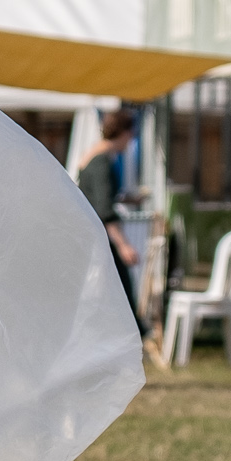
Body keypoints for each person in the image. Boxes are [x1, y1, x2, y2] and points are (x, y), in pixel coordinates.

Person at [76, 109, 142, 325]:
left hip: (88, 234)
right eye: (130, 135)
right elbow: (103, 209)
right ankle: (134, 334)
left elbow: (96, 195)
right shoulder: (102, 162)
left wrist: (128, 200)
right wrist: (124, 245)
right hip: (98, 235)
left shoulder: (91, 155)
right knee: (120, 286)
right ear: (124, 133)